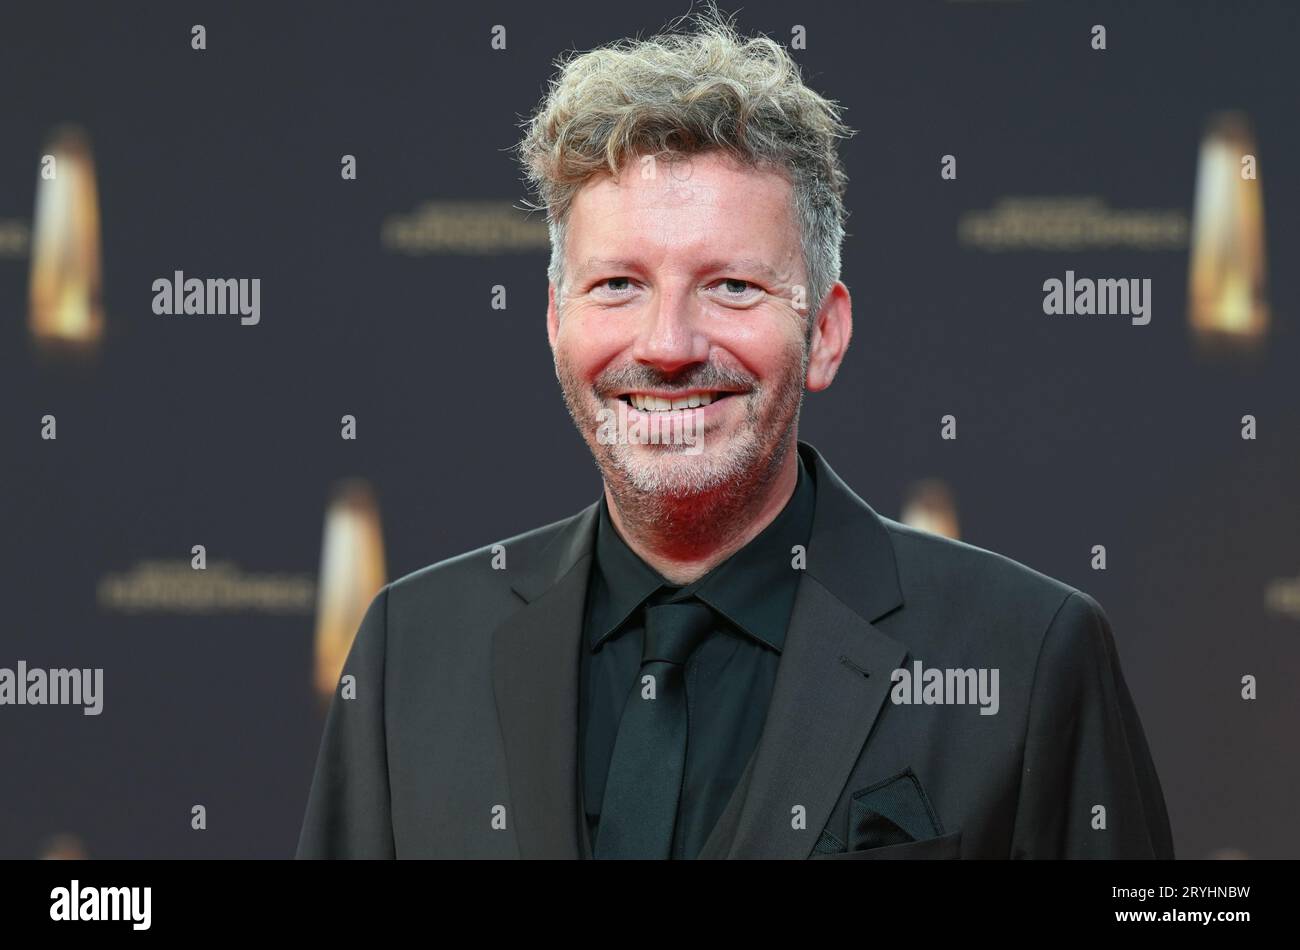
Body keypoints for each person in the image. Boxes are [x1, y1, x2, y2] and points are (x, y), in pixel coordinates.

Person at [296, 6, 1174, 860]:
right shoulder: (410, 651)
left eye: (731, 287)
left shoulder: (1026, 654)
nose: (668, 345)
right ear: (556, 322)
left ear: (824, 333)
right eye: (618, 286)